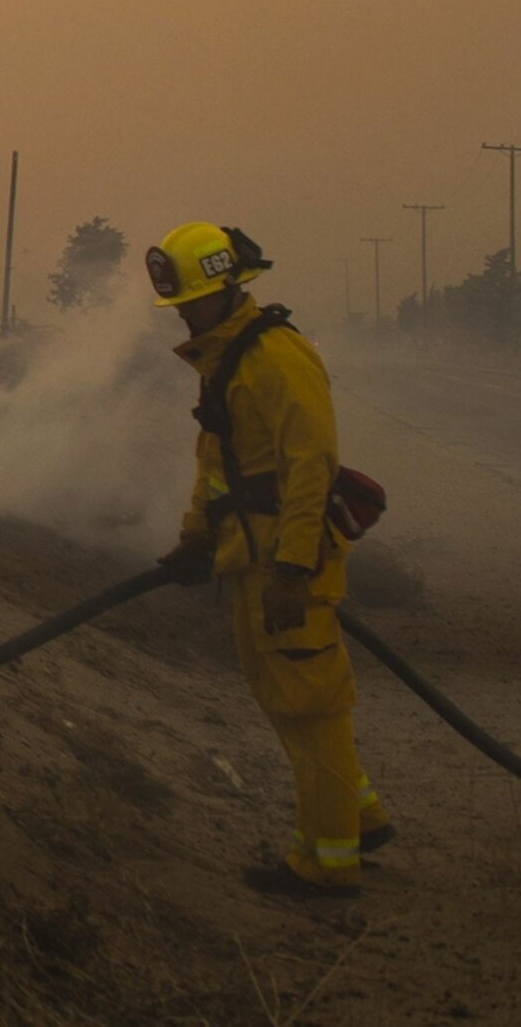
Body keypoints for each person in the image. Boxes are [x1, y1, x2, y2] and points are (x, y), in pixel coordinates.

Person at [149, 221, 395, 895]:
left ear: (229, 288)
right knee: (290, 700)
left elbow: (311, 464)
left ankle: (326, 861)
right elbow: (219, 467)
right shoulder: (227, 363)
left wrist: (292, 569)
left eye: (193, 301)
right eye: (180, 305)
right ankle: (360, 815)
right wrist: (197, 538)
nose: (186, 314)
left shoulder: (275, 356)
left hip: (288, 565)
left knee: (313, 708)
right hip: (250, 560)